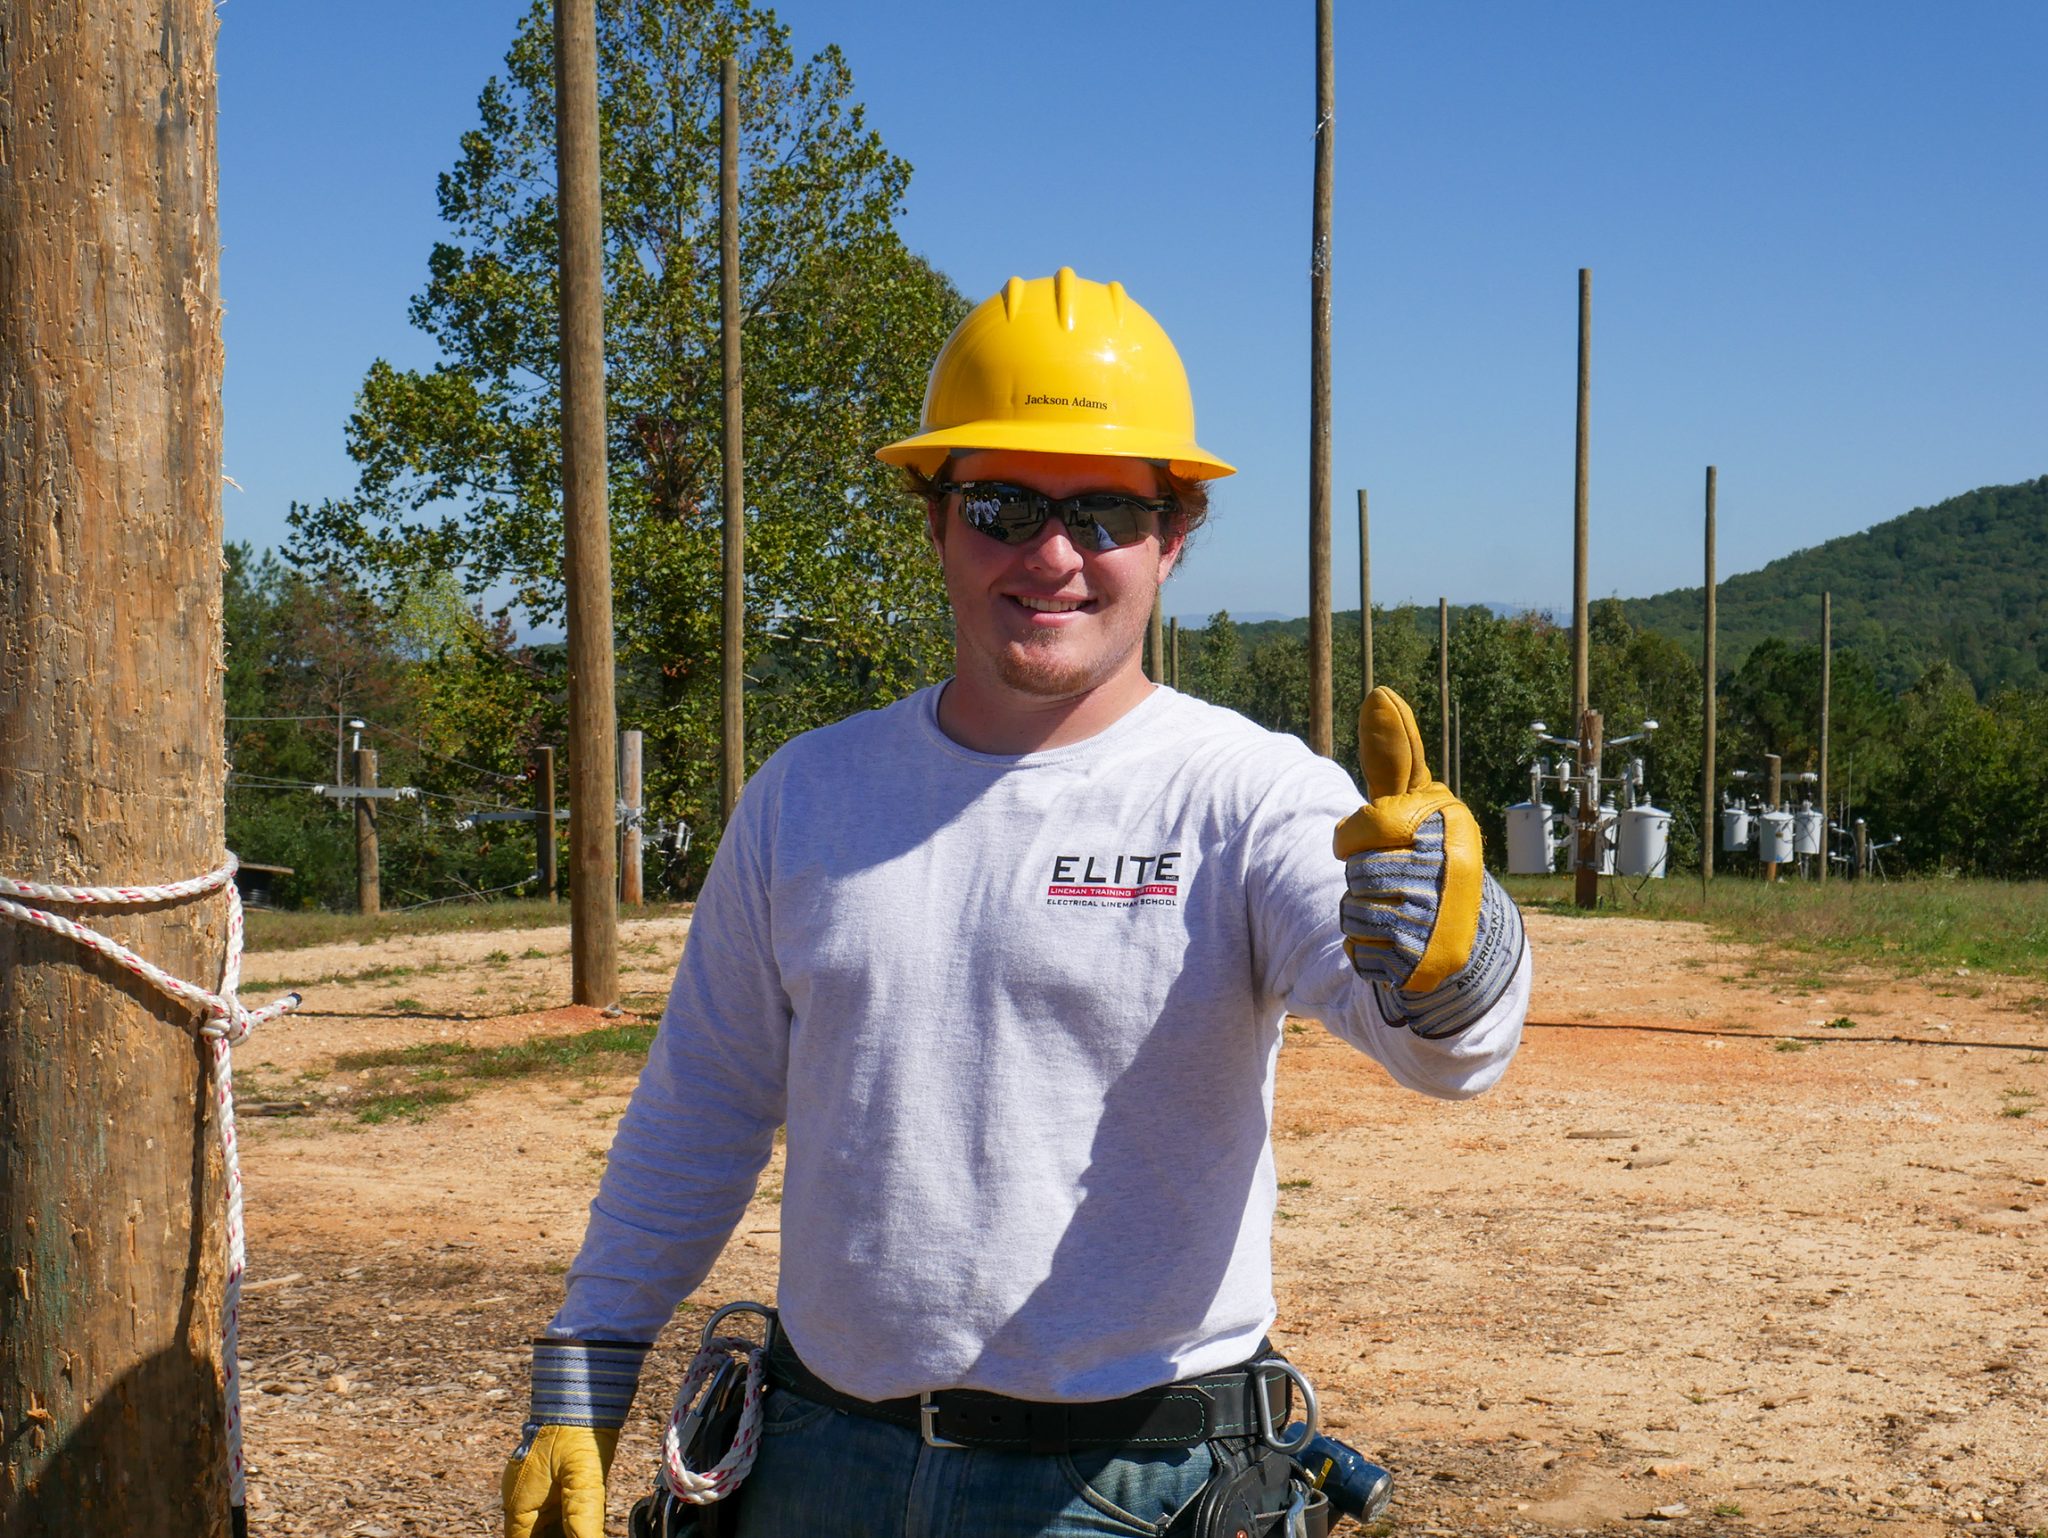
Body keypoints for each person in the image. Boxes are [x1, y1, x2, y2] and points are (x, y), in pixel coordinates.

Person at [502, 267, 1530, 1538]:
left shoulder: (1248, 794)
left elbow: (1449, 1055)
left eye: (1103, 511)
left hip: (1131, 1487)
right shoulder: (807, 795)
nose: (1052, 554)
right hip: (818, 1463)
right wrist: (586, 1367)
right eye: (1000, 505)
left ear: (1173, 536)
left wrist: (1454, 949)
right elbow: (700, 1106)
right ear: (935, 523)